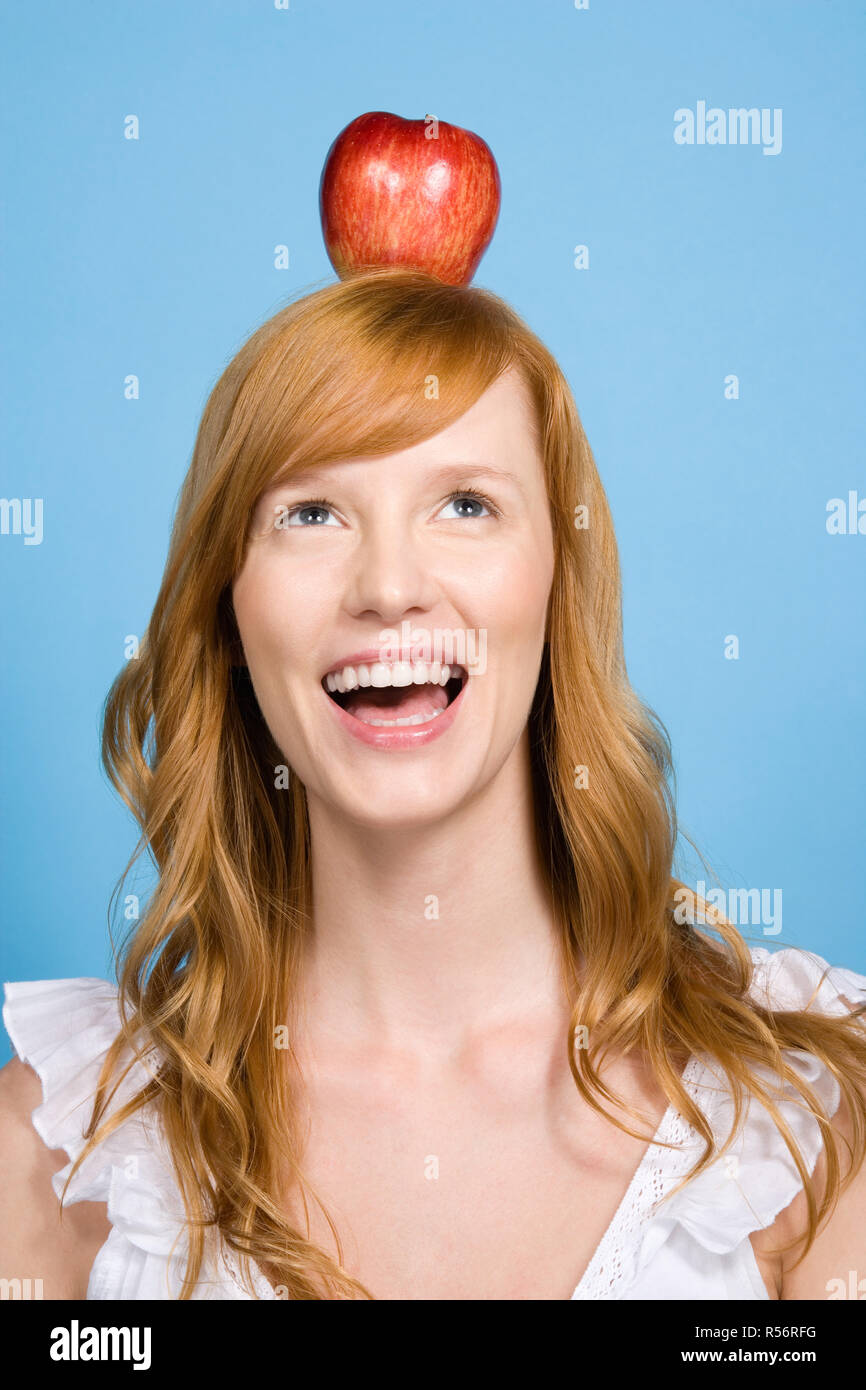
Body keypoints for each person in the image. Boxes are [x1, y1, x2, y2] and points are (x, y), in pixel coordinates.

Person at [2, 266, 865, 1301]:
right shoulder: (58, 1156)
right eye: (310, 513)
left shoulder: (808, 1109)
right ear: (227, 610)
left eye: (464, 502)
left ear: (554, 579)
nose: (389, 589)